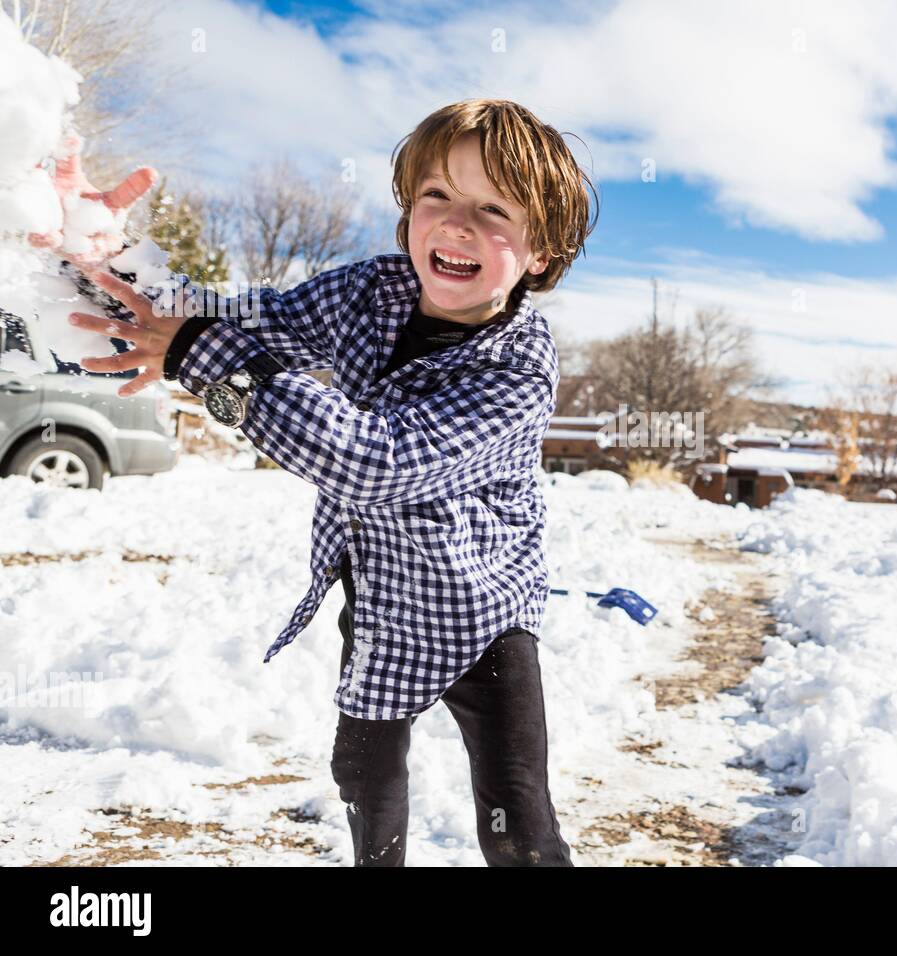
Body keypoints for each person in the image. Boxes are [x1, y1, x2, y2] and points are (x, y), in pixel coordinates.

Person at [36, 99, 598, 867]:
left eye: (492, 209)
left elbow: (374, 462)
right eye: (436, 195)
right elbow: (235, 317)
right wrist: (103, 251)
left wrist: (208, 359)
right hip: (382, 598)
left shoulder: (518, 370)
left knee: (518, 817)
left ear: (540, 252)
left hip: (481, 613)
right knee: (363, 777)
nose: (456, 224)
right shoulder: (374, 292)